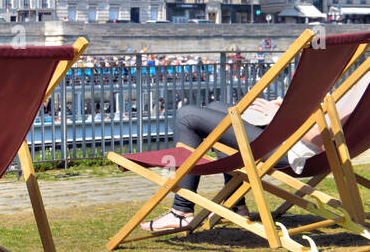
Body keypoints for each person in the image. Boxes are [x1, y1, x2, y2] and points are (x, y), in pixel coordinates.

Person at [144, 72, 370, 231]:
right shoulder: (365, 80)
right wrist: (285, 110)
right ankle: (235, 203)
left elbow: (323, 140)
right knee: (218, 109)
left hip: (295, 155)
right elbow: (331, 123)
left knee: (187, 115)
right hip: (300, 148)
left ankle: (181, 211)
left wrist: (281, 116)